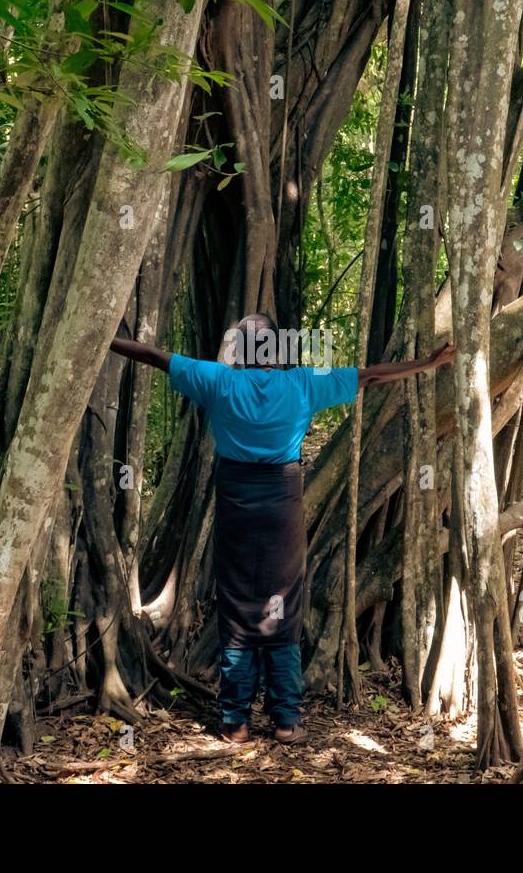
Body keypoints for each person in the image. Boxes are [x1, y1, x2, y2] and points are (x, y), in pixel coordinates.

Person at [108, 314, 455, 744]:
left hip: (235, 504)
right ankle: (286, 720)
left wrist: (104, 337)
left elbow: (153, 357)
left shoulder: (216, 380)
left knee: (236, 605)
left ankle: (235, 721)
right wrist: (428, 363)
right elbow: (372, 377)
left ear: (239, 349)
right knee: (282, 605)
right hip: (281, 507)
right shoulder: (304, 383)